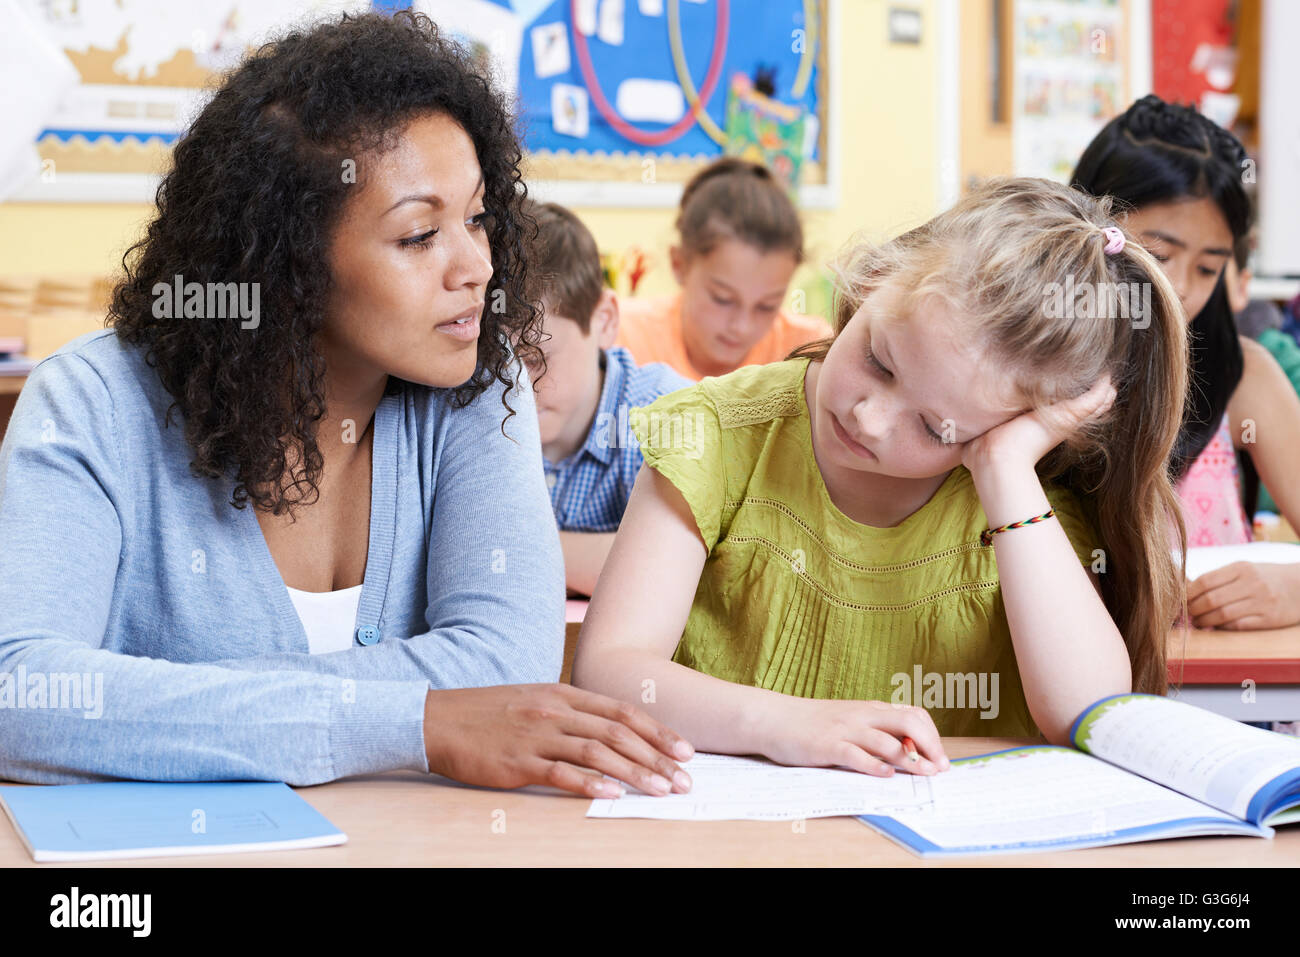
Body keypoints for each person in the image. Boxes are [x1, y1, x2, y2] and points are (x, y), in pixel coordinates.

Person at [0, 11, 693, 798]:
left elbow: (506, 665)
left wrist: (165, 703)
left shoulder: (475, 384)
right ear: (288, 266)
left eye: (475, 218)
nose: (475, 267)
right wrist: (421, 722)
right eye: (417, 236)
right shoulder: (87, 405)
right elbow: (24, 693)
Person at [573, 178, 1188, 773]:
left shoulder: (1023, 505)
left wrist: (1004, 471)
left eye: (934, 427)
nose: (869, 419)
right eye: (879, 360)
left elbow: (1087, 713)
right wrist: (786, 724)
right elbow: (610, 670)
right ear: (872, 281)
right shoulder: (717, 433)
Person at [1073, 94, 1300, 629]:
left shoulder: (1245, 375)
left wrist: (1294, 589)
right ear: (1087, 227)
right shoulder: (1032, 373)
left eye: (1208, 267)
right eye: (1161, 255)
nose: (1178, 290)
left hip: (1221, 701)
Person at [525, 201, 691, 596]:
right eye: (493, 362)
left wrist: (522, 552)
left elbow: (673, 568)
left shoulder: (662, 415)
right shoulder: (465, 415)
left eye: (534, 359)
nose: (513, 387)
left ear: (604, 321)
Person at [616, 157, 828, 380]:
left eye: (767, 306)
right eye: (722, 299)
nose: (742, 327)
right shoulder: (621, 339)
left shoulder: (808, 354)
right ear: (679, 264)